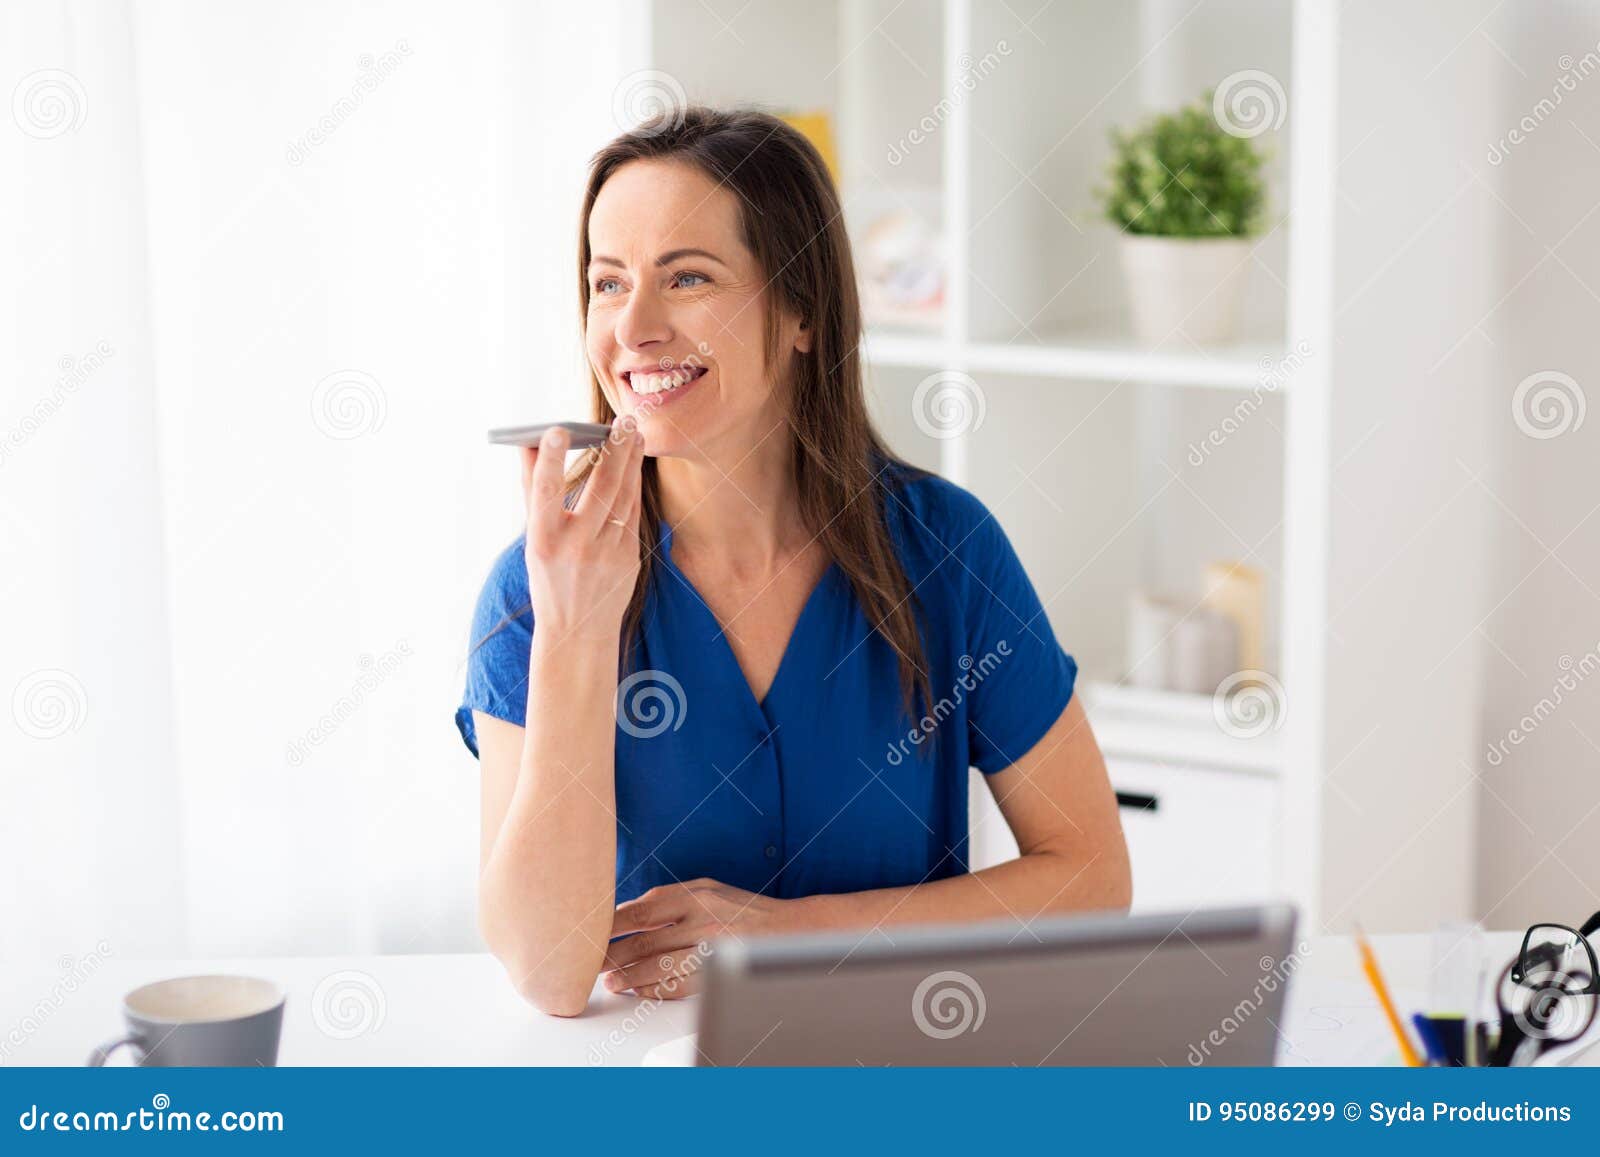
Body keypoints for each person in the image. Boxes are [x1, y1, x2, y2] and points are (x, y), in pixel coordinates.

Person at [457, 107, 1131, 1016]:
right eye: (608, 284)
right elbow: (547, 974)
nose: (635, 328)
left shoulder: (946, 550)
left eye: (686, 277)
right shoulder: (534, 590)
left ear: (802, 310)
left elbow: (1089, 880)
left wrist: (792, 937)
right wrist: (575, 630)